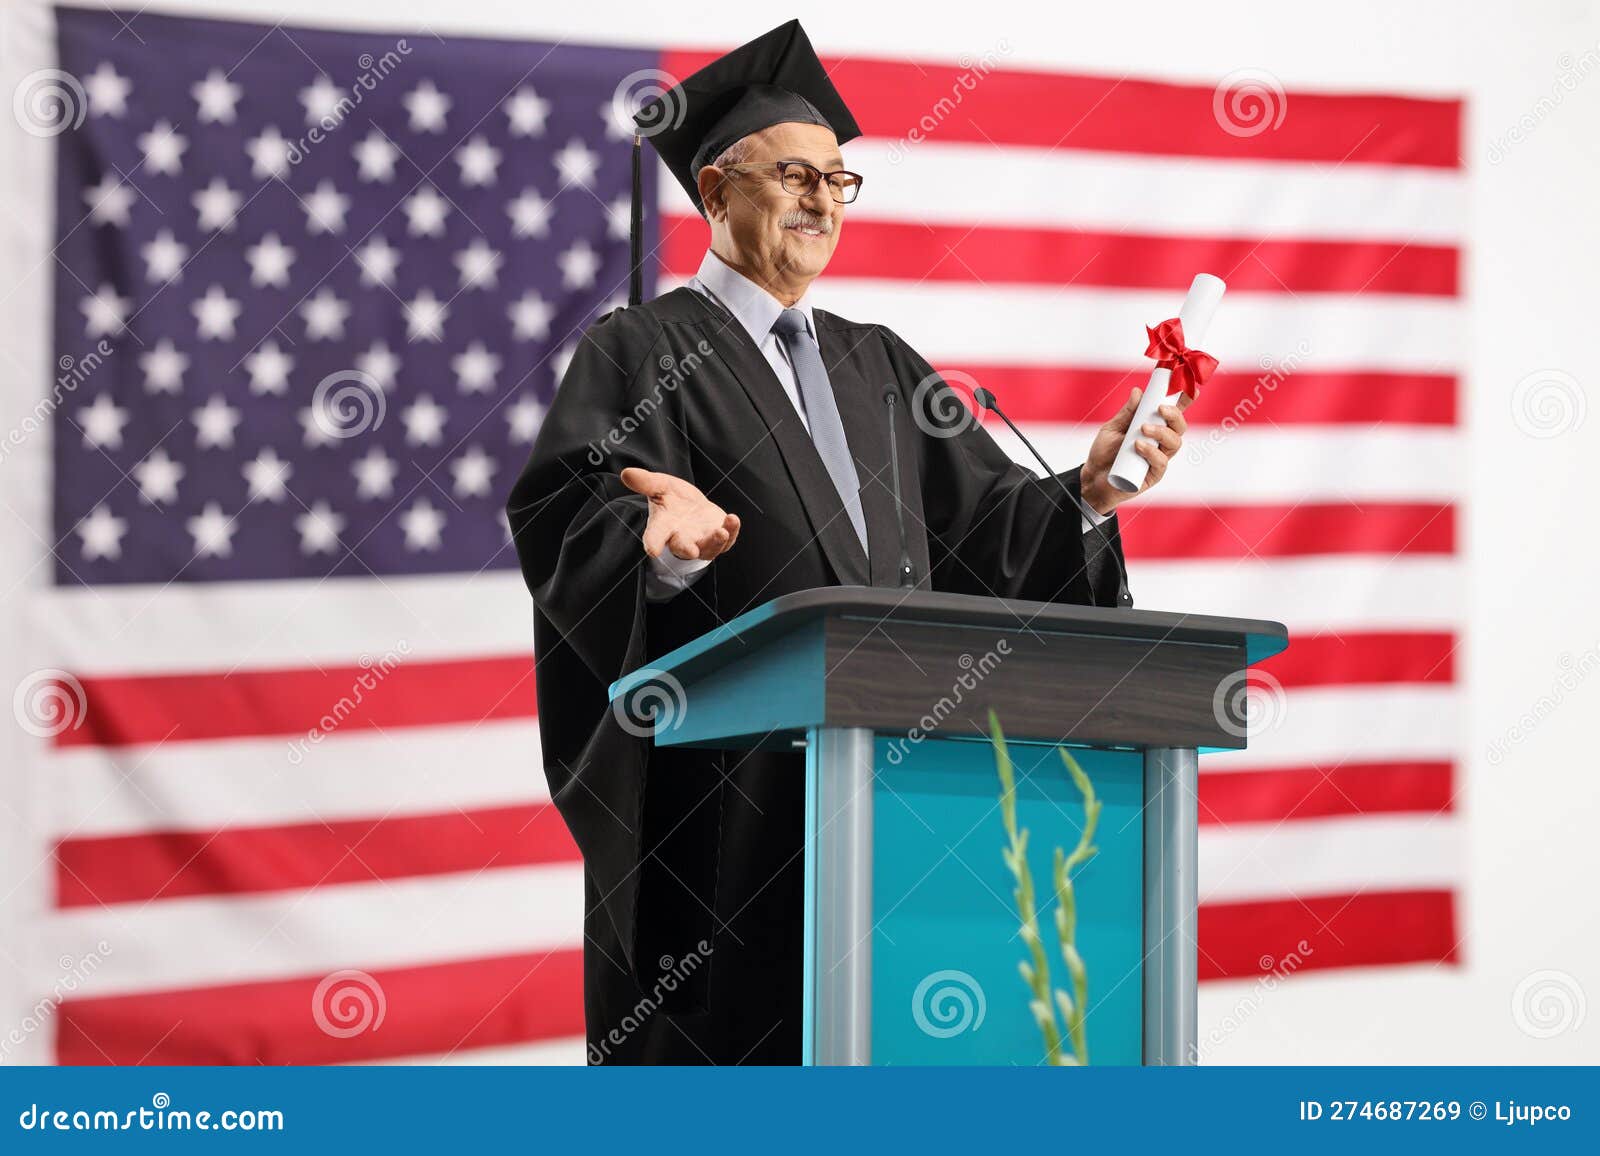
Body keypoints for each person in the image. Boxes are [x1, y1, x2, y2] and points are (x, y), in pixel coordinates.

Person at [505, 20, 1190, 1064]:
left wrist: (1087, 496)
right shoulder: (640, 347)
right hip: (727, 818)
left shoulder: (879, 364)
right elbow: (566, 510)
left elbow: (990, 537)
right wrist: (664, 546)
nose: (824, 201)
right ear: (717, 189)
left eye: (839, 180)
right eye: (795, 176)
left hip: (892, 809)